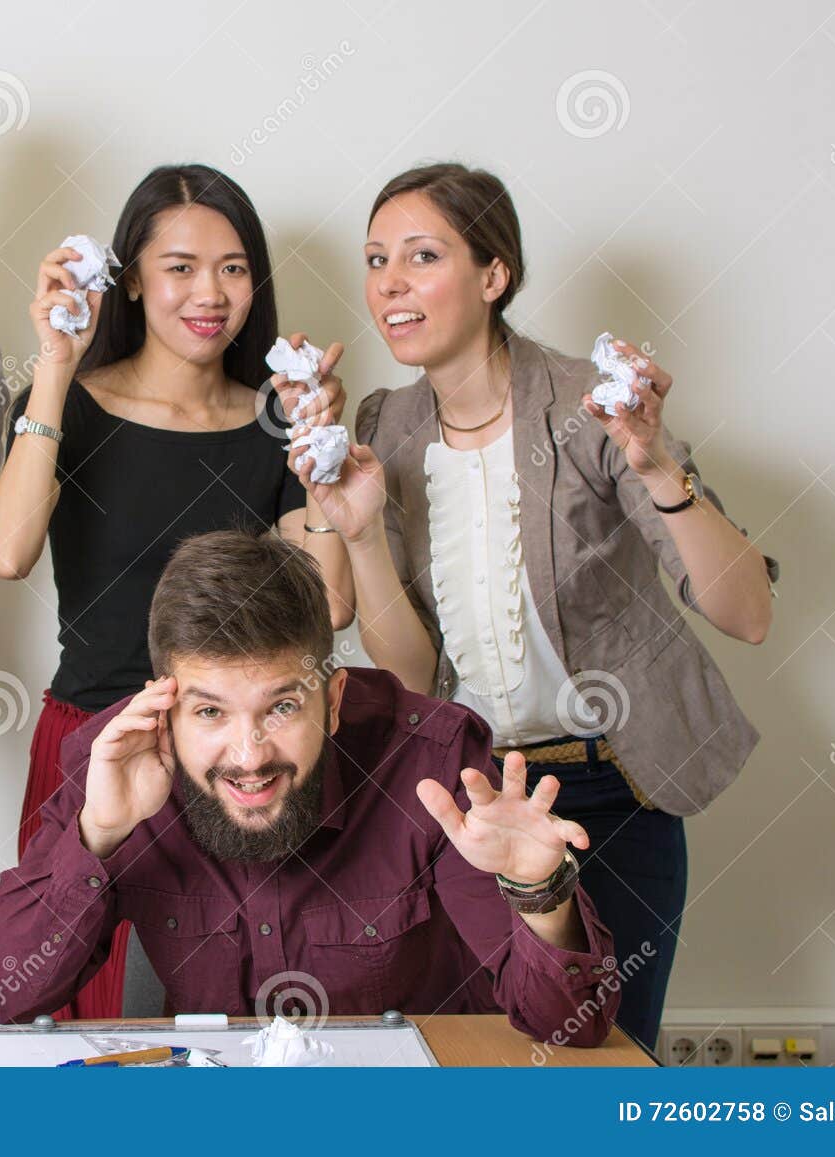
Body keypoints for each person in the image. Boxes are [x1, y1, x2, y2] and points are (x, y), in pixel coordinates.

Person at [292, 162, 779, 1051]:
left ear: (493, 274)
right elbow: (410, 675)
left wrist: (656, 460)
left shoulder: (592, 411)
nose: (389, 283)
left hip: (609, 793)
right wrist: (358, 533)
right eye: (375, 259)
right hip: (470, 792)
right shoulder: (382, 424)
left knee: (600, 1056)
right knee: (477, 1054)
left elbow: (747, 612)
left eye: (422, 255)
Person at [0, 528, 619, 1046]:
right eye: (209, 712)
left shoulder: (435, 763)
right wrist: (99, 835)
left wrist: (542, 893)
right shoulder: (115, 761)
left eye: (281, 707)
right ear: (165, 707)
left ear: (332, 701)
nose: (248, 756)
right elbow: (8, 995)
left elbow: (576, 1026)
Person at [0, 164, 353, 1019]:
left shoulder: (274, 417)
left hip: (225, 751)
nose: (209, 292)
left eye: (232, 266)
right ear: (133, 281)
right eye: (180, 266)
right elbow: (4, 553)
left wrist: (319, 453)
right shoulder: (72, 401)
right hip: (92, 742)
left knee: (206, 1002)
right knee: (71, 990)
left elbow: (329, 608)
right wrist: (53, 365)